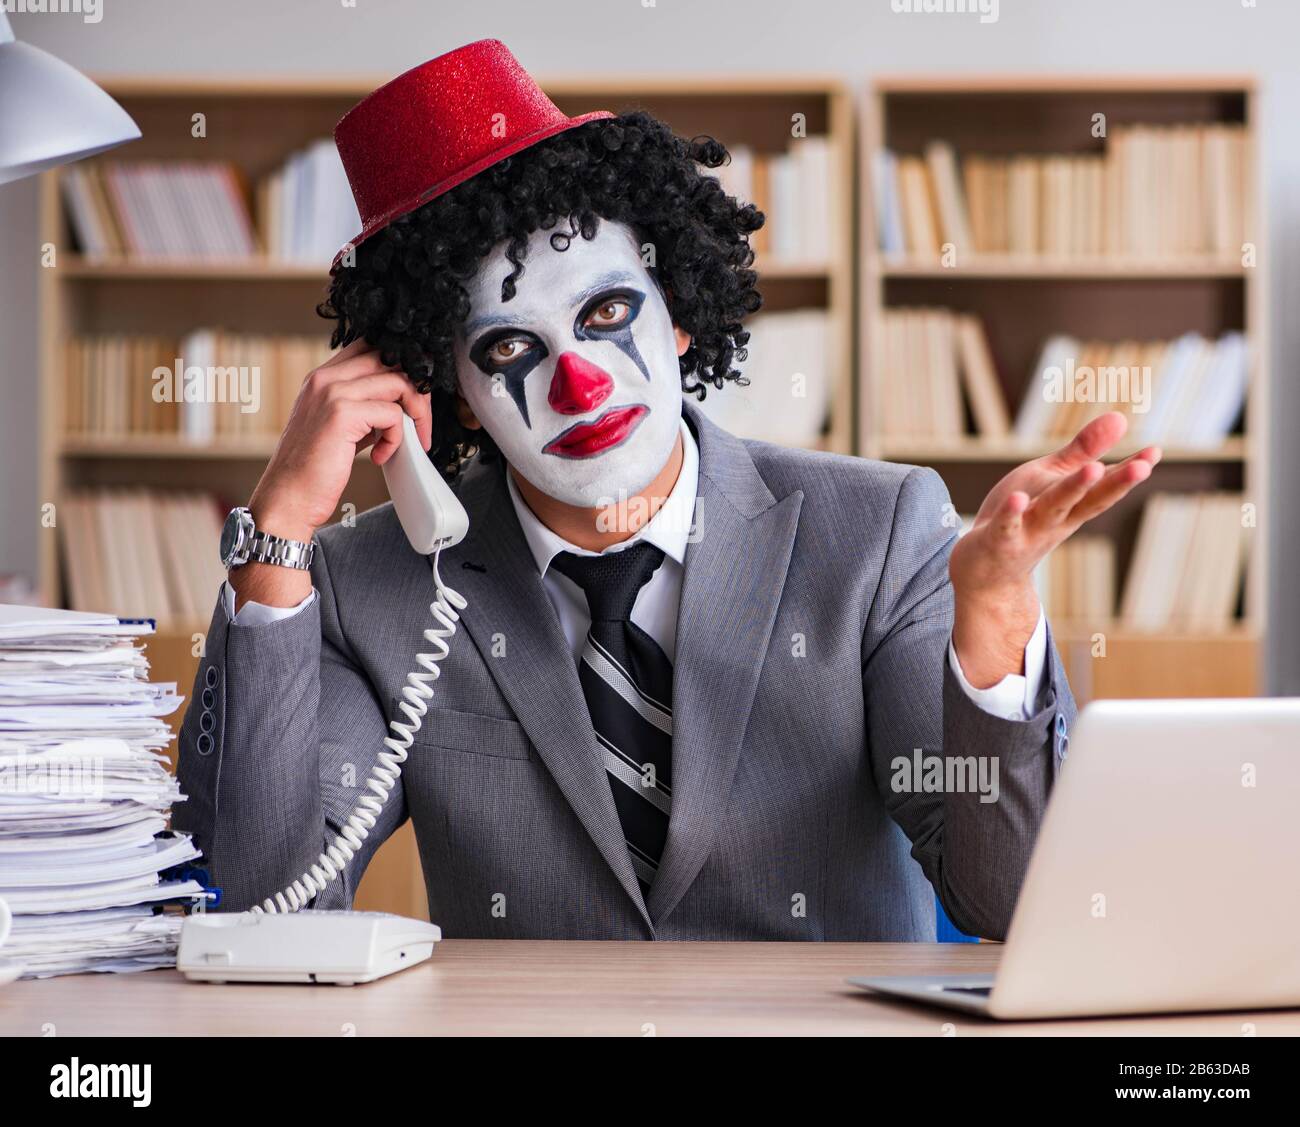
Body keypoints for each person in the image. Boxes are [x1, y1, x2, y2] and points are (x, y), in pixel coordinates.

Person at [174, 40, 1159, 940]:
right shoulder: (366, 583)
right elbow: (264, 907)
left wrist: (991, 615)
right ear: (449, 390)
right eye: (510, 347)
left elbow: (1011, 901)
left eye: (606, 311)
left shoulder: (880, 530)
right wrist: (278, 538)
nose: (580, 382)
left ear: (678, 312)